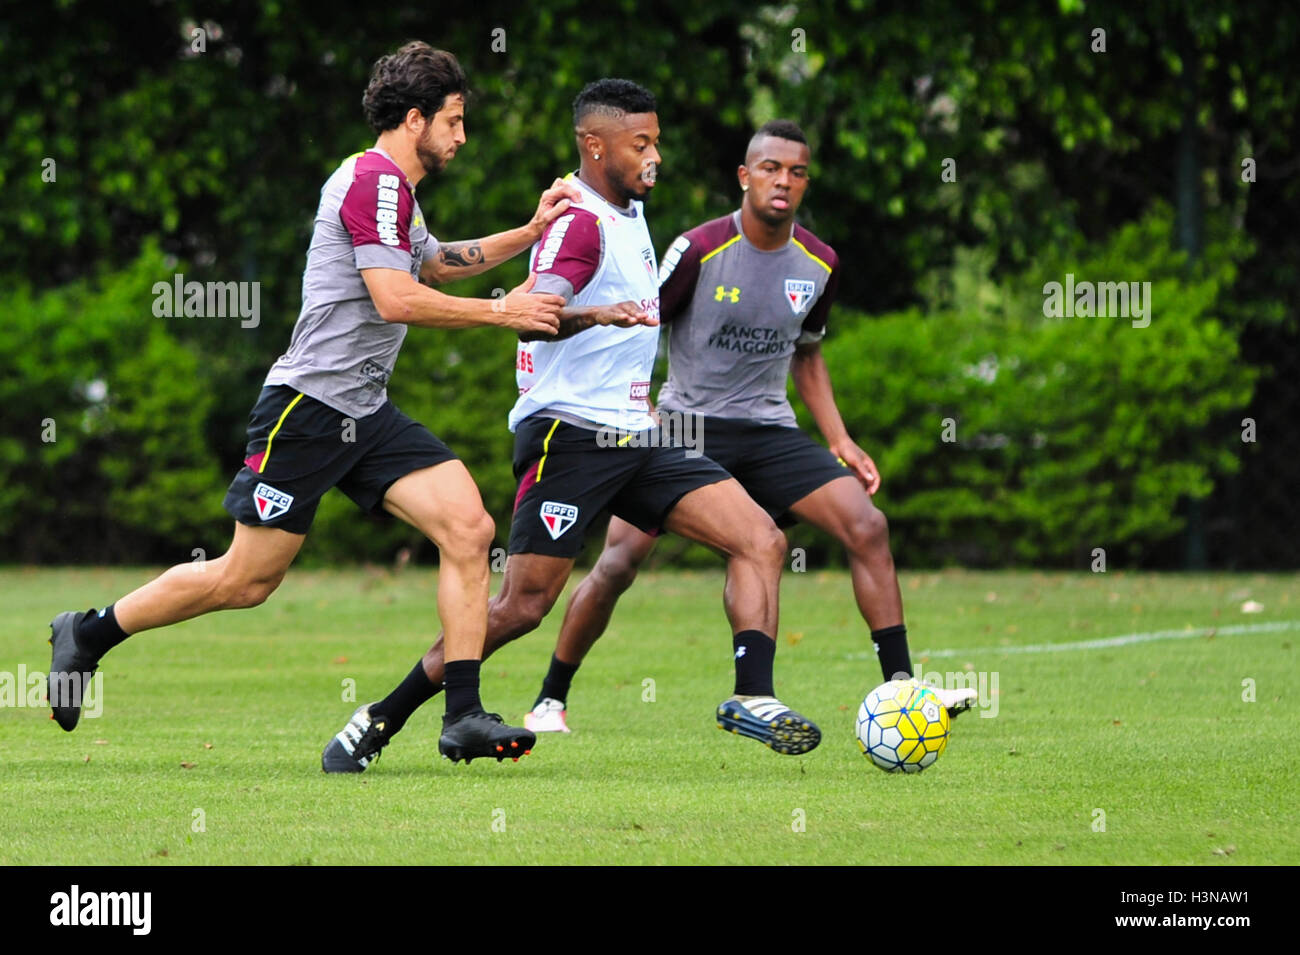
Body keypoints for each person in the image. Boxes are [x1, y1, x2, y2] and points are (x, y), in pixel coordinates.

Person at [46, 41, 578, 765]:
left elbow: (432, 259)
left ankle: (462, 713)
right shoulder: (373, 183)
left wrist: (530, 231)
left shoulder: (396, 193)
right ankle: (88, 631)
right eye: (453, 121)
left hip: (364, 412)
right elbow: (395, 299)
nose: (461, 137)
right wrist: (500, 314)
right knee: (245, 580)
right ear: (415, 117)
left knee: (467, 526)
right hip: (308, 407)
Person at [321, 80, 821, 773]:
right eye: (640, 144)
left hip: (637, 433)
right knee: (522, 606)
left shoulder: (629, 213)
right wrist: (597, 314)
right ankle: (379, 716)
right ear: (595, 145)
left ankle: (753, 696)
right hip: (569, 437)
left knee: (759, 536)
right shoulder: (580, 222)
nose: (655, 157)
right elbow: (538, 314)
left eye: (657, 142)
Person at [523, 119, 977, 735]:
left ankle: (902, 691)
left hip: (768, 431)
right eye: (769, 168)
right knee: (619, 563)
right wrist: (641, 411)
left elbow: (809, 353)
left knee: (867, 525)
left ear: (806, 182)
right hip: (685, 426)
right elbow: (641, 323)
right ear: (745, 176)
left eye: (796, 172)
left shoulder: (820, 263)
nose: (782, 182)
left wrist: (839, 439)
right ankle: (551, 698)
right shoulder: (698, 248)